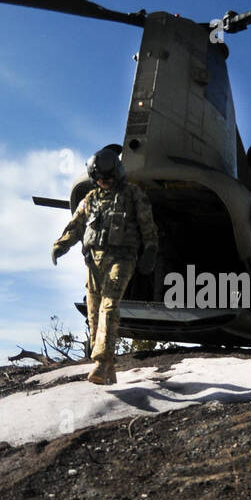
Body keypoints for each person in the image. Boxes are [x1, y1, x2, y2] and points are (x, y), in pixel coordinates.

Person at [51, 145, 158, 384]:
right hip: (93, 261)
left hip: (122, 259)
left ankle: (100, 362)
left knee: (109, 306)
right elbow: (77, 224)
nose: (104, 182)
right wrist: (62, 244)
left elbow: (147, 225)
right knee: (94, 314)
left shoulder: (132, 194)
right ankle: (109, 370)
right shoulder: (91, 199)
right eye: (100, 179)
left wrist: (150, 249)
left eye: (108, 178)